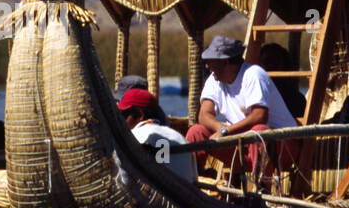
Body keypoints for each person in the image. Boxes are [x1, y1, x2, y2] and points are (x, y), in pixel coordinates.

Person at [184, 36, 298, 178]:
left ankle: (262, 189)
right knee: (196, 131)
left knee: (259, 131)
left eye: (211, 62)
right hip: (242, 145)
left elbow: (260, 116)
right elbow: (203, 115)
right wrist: (220, 128)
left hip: (280, 146)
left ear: (225, 62)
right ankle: (189, 179)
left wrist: (226, 131)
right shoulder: (215, 79)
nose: (207, 66)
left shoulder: (253, 74)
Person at [119, 88, 197, 181]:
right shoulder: (181, 139)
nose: (120, 120)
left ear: (139, 116)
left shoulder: (133, 137)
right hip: (184, 194)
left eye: (123, 115)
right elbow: (194, 180)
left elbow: (125, 179)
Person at [257, 43, 306, 120]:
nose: (271, 65)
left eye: (275, 62)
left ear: (284, 65)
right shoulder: (254, 92)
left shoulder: (296, 98)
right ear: (259, 65)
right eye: (266, 61)